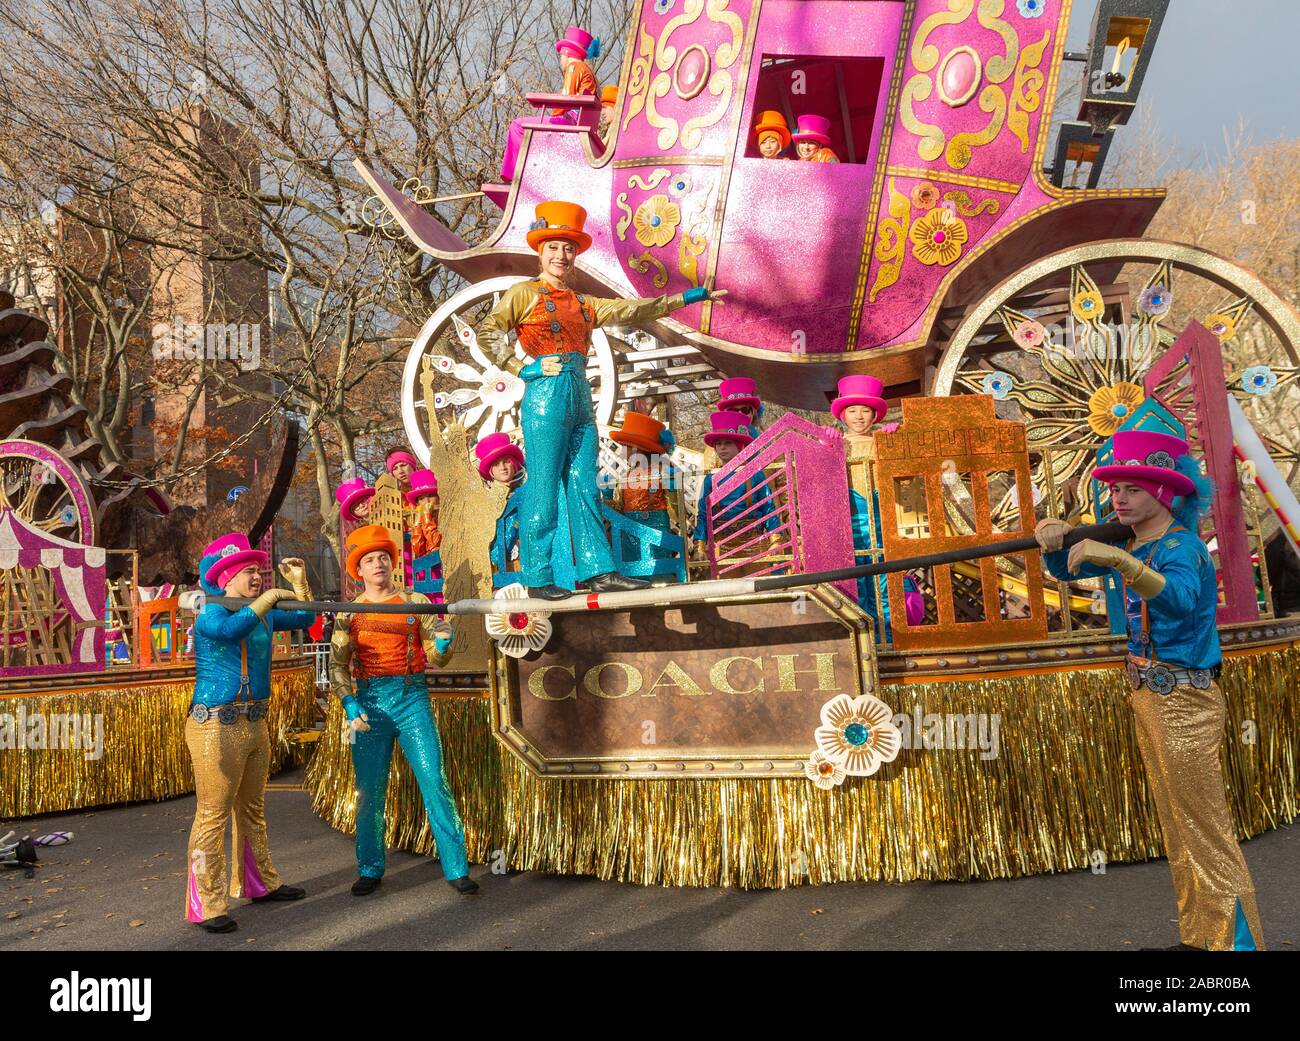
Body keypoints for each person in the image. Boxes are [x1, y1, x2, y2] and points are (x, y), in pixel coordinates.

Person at [1033, 429, 1264, 951]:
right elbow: (1070, 567)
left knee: (1205, 830)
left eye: (1134, 488)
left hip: (1186, 699)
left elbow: (1180, 601)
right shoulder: (1137, 542)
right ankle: (1200, 939)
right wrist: (1055, 538)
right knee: (1177, 827)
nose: (1120, 498)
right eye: (1116, 489)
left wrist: (1121, 563)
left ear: (1163, 493)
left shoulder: (1181, 546)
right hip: (1150, 696)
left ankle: (1238, 950)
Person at [476, 199, 725, 599]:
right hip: (545, 398)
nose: (561, 255)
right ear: (541, 251)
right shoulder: (523, 293)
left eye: (568, 248)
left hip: (579, 398)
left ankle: (598, 570)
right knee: (542, 485)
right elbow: (489, 331)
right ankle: (538, 576)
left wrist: (688, 297)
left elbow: (634, 309)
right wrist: (526, 368)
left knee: (585, 485)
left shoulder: (583, 303)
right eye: (554, 247)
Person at [328, 524, 478, 897]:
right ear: (358, 570)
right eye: (369, 559)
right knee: (368, 790)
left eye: (383, 557)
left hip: (412, 700)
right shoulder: (348, 612)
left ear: (391, 564)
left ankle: (457, 868)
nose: (378, 563)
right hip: (369, 705)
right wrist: (349, 703)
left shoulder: (417, 603)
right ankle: (369, 868)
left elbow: (439, 659)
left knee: (434, 781)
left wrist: (443, 642)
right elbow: (335, 664)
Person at [186, 533, 314, 933]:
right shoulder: (209, 611)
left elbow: (307, 617)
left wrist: (298, 582)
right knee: (212, 815)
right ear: (225, 579)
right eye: (248, 571)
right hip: (214, 726)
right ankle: (207, 904)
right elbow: (231, 631)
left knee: (253, 809)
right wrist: (269, 599)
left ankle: (259, 882)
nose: (257, 576)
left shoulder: (266, 611)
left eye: (258, 571)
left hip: (254, 721)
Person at [831, 375, 924, 633]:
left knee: (886, 580)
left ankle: (890, 634)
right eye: (852, 410)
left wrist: (896, 442)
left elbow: (909, 480)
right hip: (849, 525)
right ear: (842, 415)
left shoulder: (883, 442)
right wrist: (823, 446)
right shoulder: (835, 444)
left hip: (884, 522)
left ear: (875, 415)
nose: (859, 416)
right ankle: (860, 636)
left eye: (865, 410)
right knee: (853, 582)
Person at [500, 26, 600, 182]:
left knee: (518, 126)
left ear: (567, 54)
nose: (561, 60)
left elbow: (566, 98)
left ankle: (517, 174)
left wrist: (552, 114)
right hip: (578, 121)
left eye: (561, 56)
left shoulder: (575, 67)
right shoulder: (588, 71)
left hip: (568, 121)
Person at [691, 410, 778, 557]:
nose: (722, 447)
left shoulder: (755, 474)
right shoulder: (710, 479)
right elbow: (704, 513)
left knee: (756, 580)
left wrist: (775, 537)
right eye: (718, 444)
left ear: (740, 445)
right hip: (721, 547)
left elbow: (768, 506)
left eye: (728, 443)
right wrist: (700, 543)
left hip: (754, 544)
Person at [609, 410, 681, 575]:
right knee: (635, 575)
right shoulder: (626, 476)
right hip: (629, 537)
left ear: (637, 448)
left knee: (657, 574)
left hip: (656, 536)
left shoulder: (664, 471)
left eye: (625, 447)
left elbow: (676, 511)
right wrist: (603, 502)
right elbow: (620, 508)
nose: (622, 452)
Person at [475, 432, 526, 588]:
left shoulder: (528, 493)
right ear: (491, 471)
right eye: (496, 464)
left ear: (515, 463)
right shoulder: (483, 501)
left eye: (506, 461)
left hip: (527, 560)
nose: (503, 468)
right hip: (496, 567)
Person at [407, 468, 444, 600]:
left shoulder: (447, 517)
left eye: (430, 496)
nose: (426, 502)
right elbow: (418, 549)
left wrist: (427, 517)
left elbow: (435, 543)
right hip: (428, 572)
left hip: (444, 568)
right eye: (421, 499)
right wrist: (417, 524)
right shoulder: (419, 520)